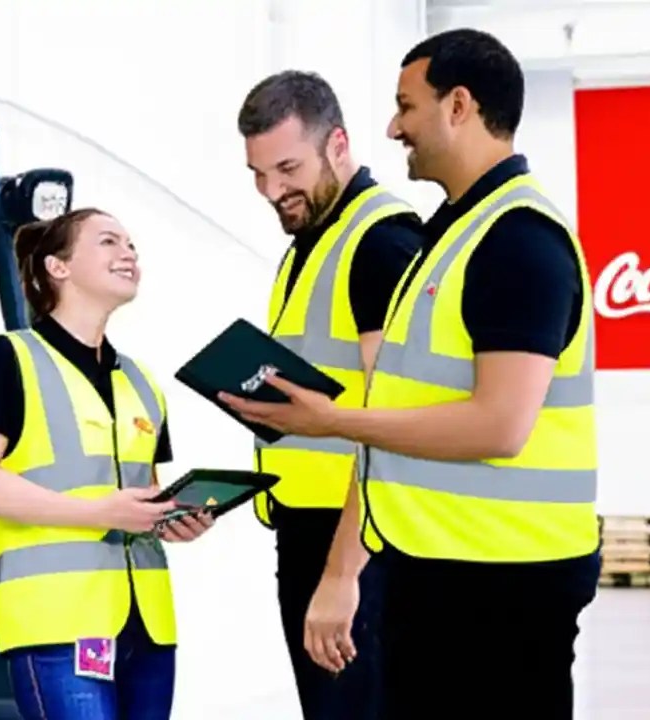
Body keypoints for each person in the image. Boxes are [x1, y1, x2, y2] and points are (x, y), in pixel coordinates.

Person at [222, 28, 600, 720]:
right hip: (434, 565)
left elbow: (501, 423)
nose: (394, 126)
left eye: (406, 105)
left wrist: (331, 429)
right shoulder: (449, 236)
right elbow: (401, 406)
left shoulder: (515, 239)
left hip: (504, 578)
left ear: (459, 106)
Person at [0, 207, 214, 720]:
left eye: (132, 244)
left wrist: (173, 520)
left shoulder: (141, 381)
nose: (128, 253)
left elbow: (145, 496)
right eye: (109, 242)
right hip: (57, 622)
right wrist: (102, 512)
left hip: (148, 626)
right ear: (58, 267)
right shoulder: (8, 359)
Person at [235, 70, 424, 719]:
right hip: (309, 526)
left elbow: (399, 427)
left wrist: (343, 575)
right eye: (258, 174)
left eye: (287, 168)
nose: (271, 191)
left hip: (359, 540)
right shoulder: (307, 246)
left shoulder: (380, 243)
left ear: (338, 144)